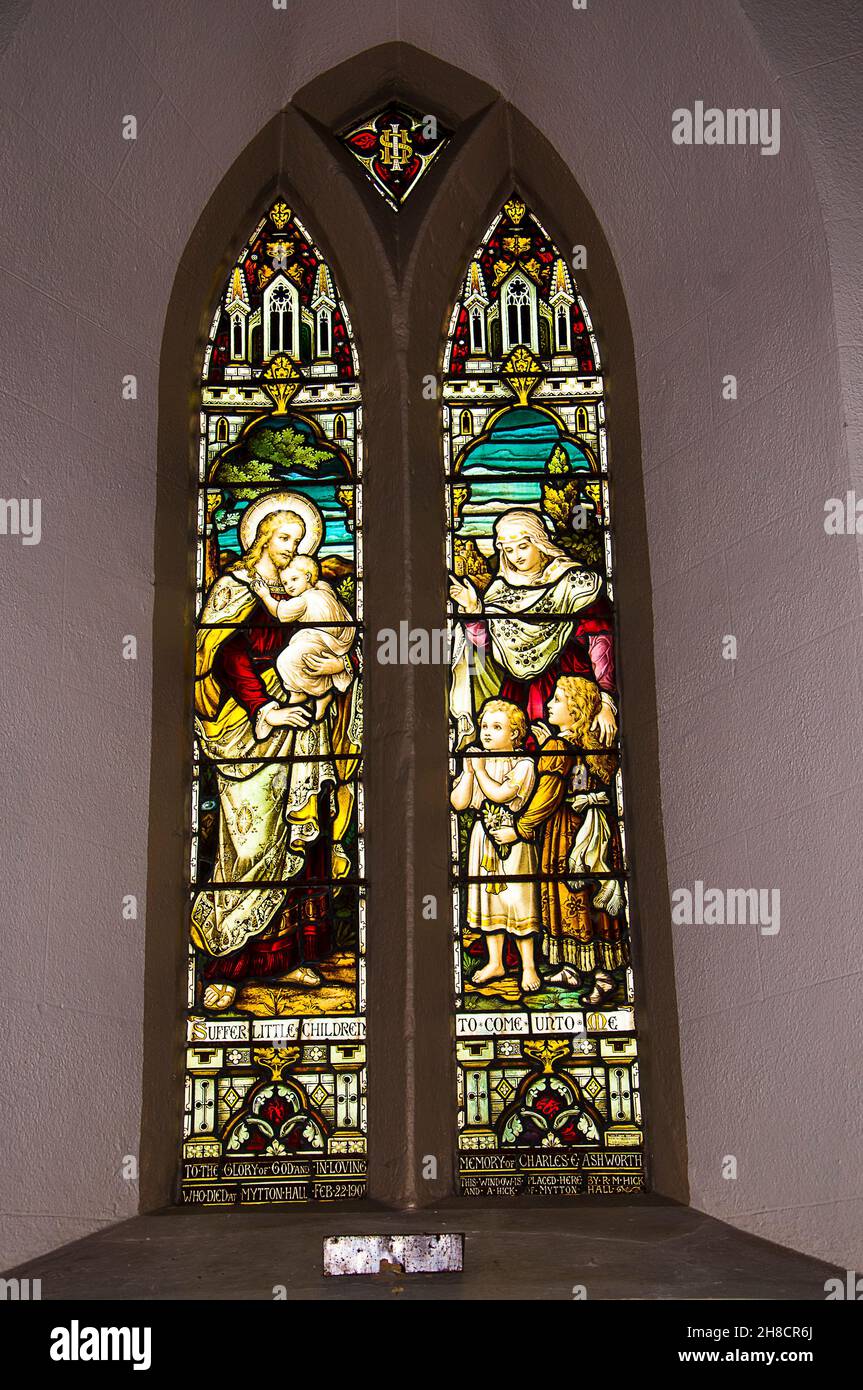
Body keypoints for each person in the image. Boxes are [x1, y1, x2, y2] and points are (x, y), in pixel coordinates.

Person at [192, 497, 359, 1012]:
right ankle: (229, 966)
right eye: (285, 539)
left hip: (301, 715)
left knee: (304, 831)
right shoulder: (232, 590)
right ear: (262, 537)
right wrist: (264, 709)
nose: (293, 549)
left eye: (299, 541)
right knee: (248, 843)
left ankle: (300, 955)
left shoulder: (300, 590)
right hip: (250, 724)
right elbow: (226, 654)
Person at [491, 676, 627, 1003]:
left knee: (572, 897)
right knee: (594, 896)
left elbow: (547, 796)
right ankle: (576, 968)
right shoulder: (591, 743)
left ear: (576, 710)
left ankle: (599, 977)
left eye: (558, 700)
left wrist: (520, 828)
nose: (549, 705)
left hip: (566, 833)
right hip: (597, 831)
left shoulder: (557, 747)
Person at [448, 508, 617, 753]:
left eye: (522, 546)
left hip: (568, 685)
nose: (516, 556)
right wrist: (474, 610)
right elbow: (488, 648)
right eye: (508, 550)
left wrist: (605, 700)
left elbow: (600, 643)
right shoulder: (499, 591)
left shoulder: (575, 584)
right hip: (517, 690)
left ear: (540, 542)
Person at [450, 699, 541, 993]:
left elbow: (501, 795)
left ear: (515, 734)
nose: (487, 733)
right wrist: (468, 772)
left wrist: (480, 771)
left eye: (497, 727)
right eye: (484, 727)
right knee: (489, 901)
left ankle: (528, 966)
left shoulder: (524, 764)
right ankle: (495, 962)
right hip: (484, 839)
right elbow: (459, 803)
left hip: (513, 841)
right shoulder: (479, 763)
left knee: (518, 900)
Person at [251, 555, 355, 722]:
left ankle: (310, 692)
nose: (289, 586)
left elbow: (280, 612)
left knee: (286, 661)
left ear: (307, 577)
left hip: (322, 640)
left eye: (294, 579)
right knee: (304, 655)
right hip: (340, 641)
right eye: (285, 583)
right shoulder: (324, 588)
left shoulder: (302, 601)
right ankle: (313, 695)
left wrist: (265, 596)